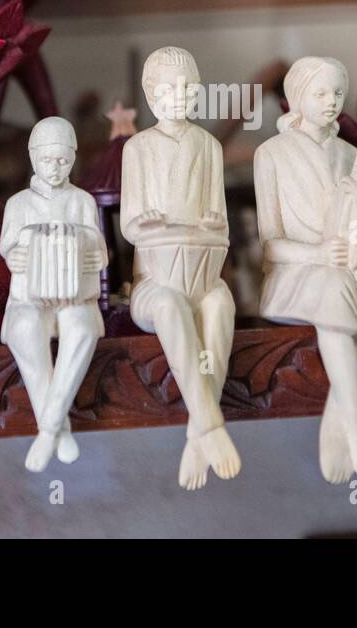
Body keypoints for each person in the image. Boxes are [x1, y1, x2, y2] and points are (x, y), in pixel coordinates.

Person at [254, 56, 357, 485]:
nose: (332, 102)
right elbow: (270, 247)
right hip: (294, 275)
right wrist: (318, 254)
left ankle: (339, 417)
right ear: (297, 98)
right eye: (320, 93)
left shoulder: (352, 155)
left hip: (344, 269)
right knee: (338, 289)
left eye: (338, 92)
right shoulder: (271, 155)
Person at [121, 46, 239, 490]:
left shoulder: (208, 146)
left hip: (203, 273)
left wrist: (211, 224)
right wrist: (143, 223)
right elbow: (130, 224)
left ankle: (197, 435)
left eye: (189, 88)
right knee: (170, 306)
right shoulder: (138, 147)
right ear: (151, 96)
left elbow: (221, 221)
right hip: (154, 280)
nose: (180, 96)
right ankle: (211, 424)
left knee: (221, 305)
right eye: (169, 89)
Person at [0, 117, 106, 472]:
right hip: (28, 296)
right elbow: (7, 248)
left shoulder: (82, 201)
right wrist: (14, 254)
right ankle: (60, 427)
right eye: (48, 160)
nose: (56, 168)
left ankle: (47, 429)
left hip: (75, 294)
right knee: (25, 329)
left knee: (83, 328)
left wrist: (95, 256)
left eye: (63, 160)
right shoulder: (17, 204)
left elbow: (100, 250)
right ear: (33, 158)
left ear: (73, 159)